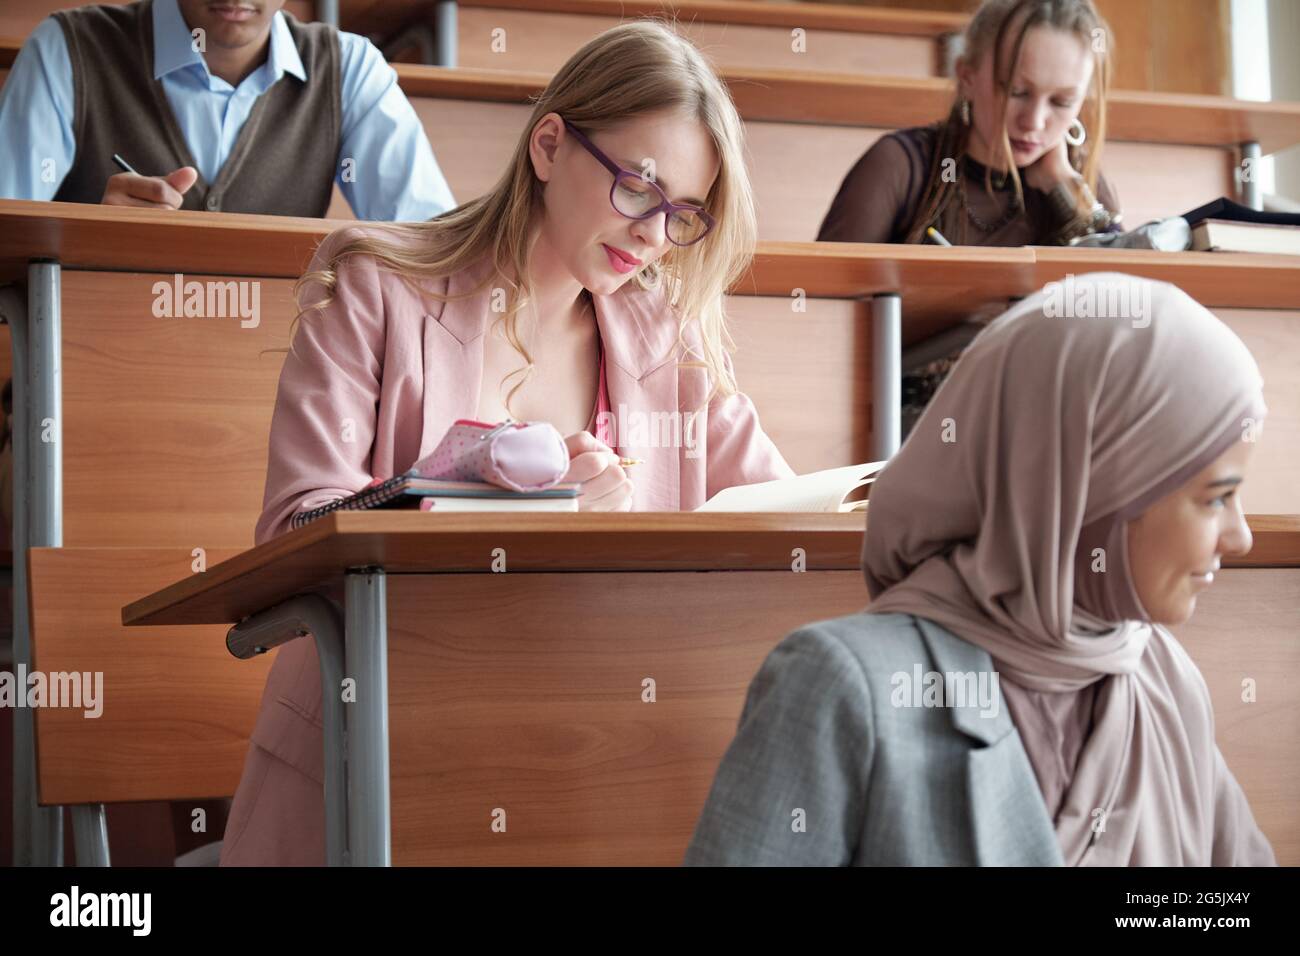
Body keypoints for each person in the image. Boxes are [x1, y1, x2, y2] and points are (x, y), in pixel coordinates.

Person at [220, 20, 795, 865]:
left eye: (682, 215)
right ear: (550, 145)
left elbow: (782, 514)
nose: (651, 234)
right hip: (374, 753)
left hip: (579, 762)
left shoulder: (670, 344)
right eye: (638, 188)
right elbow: (295, 534)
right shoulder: (376, 288)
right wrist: (503, 496)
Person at [685, 272, 1277, 866]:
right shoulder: (845, 685)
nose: (1241, 536)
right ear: (1091, 490)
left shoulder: (1163, 679)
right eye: (1215, 498)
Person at [0, 0, 455, 219]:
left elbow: (430, 246)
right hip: (80, 383)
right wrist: (85, 242)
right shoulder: (67, 50)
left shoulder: (348, 69)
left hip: (280, 390)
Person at [818, 0, 1121, 247]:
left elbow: (1129, 299)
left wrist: (1063, 187)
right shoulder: (899, 166)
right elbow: (823, 302)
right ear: (966, 77)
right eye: (1016, 92)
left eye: (1061, 102)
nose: (1034, 121)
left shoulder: (1080, 179)